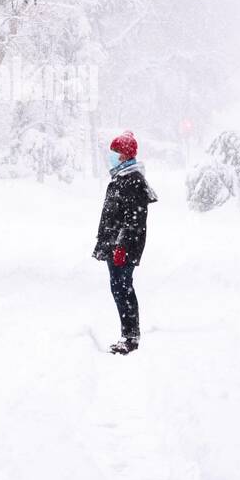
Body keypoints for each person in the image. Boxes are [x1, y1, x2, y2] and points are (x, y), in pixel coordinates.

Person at [92, 130, 158, 355]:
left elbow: (134, 221)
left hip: (124, 246)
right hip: (115, 244)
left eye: (115, 151)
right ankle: (128, 334)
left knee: (123, 288)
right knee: (118, 288)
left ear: (124, 155)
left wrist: (121, 246)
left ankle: (130, 337)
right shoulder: (121, 178)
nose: (111, 155)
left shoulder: (133, 181)